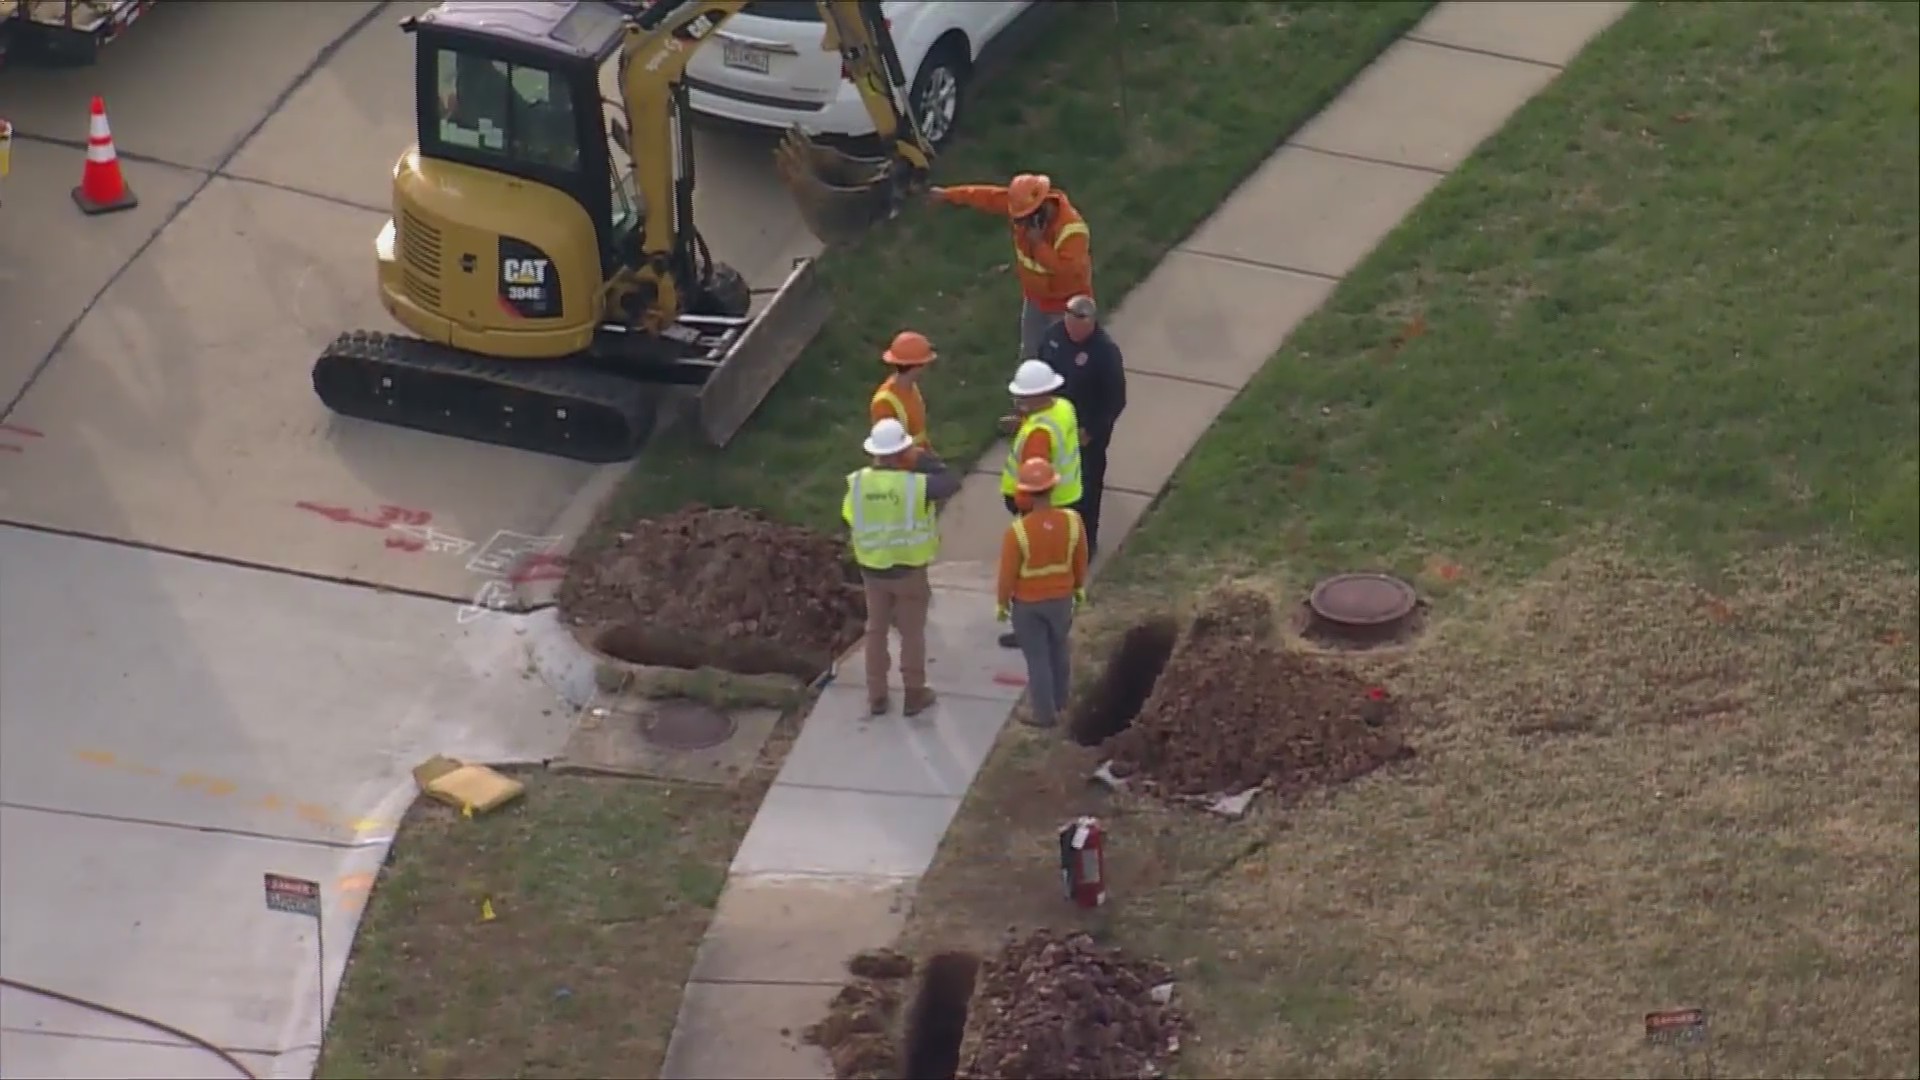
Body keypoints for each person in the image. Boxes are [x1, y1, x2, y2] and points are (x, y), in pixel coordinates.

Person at [842, 418, 961, 717]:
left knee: (876, 631)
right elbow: (951, 482)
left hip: (872, 570)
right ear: (901, 452)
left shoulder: (857, 483)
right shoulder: (916, 485)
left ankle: (877, 696)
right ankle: (914, 694)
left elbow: (849, 516)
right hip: (908, 570)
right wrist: (924, 459)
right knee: (911, 634)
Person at [928, 173, 1092, 361]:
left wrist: (1039, 246)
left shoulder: (1072, 231)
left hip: (1066, 305)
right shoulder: (1022, 207)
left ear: (1040, 211)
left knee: (1065, 360)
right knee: (1030, 355)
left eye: (1023, 220)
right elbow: (986, 197)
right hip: (1036, 299)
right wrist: (948, 194)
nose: (1018, 225)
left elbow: (1067, 272)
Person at [996, 458, 1090, 730]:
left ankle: (1044, 714)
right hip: (1062, 600)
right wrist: (1078, 587)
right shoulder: (1073, 521)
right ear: (1053, 487)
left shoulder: (1018, 532)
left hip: (1028, 604)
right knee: (1059, 649)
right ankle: (1061, 701)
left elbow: (1007, 573)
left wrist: (1002, 603)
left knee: (1037, 657)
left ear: (1024, 492)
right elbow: (1080, 558)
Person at [996, 359, 1082, 648]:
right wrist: (1022, 423)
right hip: (1066, 498)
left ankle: (1030, 628)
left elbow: (1034, 473)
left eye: (1023, 396)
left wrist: (1021, 504)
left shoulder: (1038, 434)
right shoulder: (1063, 408)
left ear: (1037, 396)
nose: (1018, 400)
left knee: (1031, 566)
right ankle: (1057, 620)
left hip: (1039, 505)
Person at [1037, 294, 1127, 560]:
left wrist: (1092, 431)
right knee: (1051, 486)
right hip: (1053, 430)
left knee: (1087, 488)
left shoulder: (1104, 351)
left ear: (1091, 322)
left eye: (1080, 321)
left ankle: (1085, 544)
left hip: (1086, 435)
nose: (1072, 326)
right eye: (1069, 318)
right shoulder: (1053, 337)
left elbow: (1115, 399)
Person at [871, 330, 936, 454]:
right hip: (903, 467)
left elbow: (919, 434)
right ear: (917, 366)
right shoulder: (884, 402)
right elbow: (888, 450)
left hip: (918, 458)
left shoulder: (911, 388)